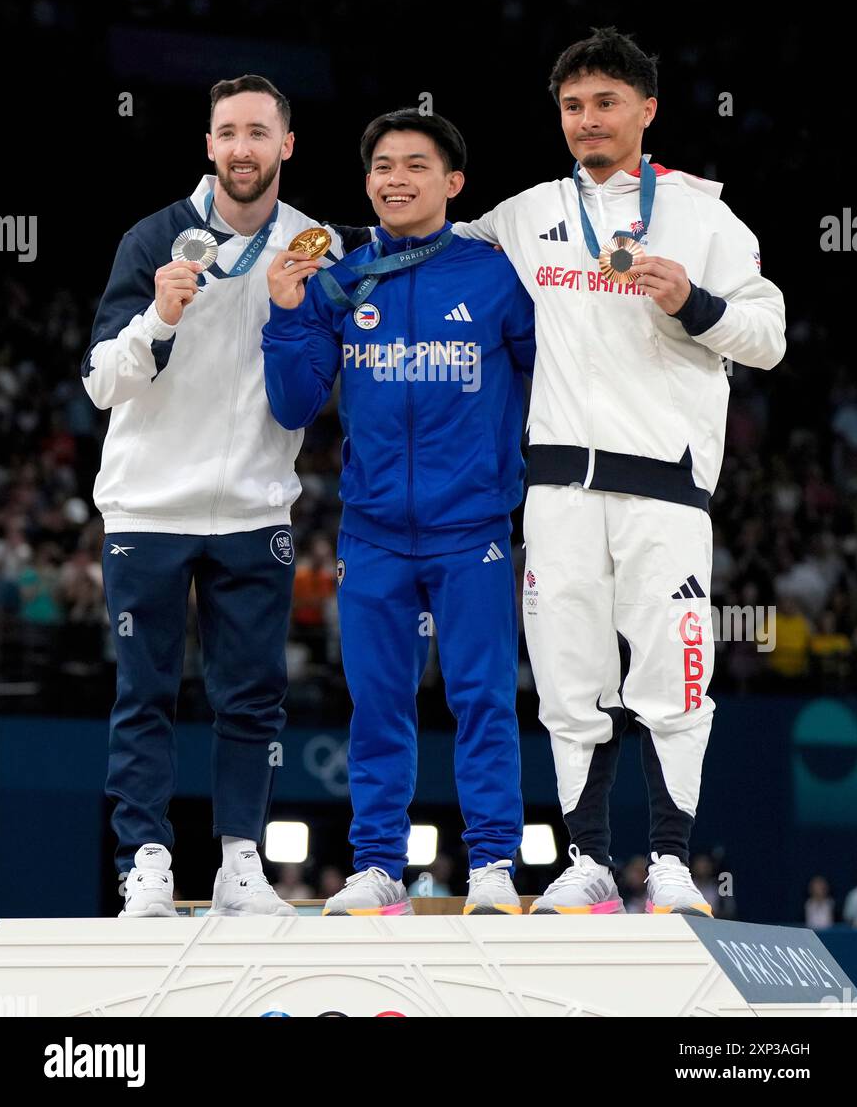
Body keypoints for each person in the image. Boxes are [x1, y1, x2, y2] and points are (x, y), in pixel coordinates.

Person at [453, 26, 786, 915]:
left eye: (606, 103)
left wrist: (694, 302)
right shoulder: (526, 214)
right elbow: (435, 244)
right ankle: (588, 859)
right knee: (568, 675)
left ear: (646, 109)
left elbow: (768, 334)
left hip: (666, 485)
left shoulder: (704, 215)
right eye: (572, 106)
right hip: (559, 485)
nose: (588, 120)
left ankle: (671, 860)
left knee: (675, 675)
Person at [82, 73, 368, 917]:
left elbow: (405, 241)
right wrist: (158, 319)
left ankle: (241, 860)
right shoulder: (154, 239)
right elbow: (101, 382)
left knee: (253, 699)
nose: (242, 147)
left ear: (287, 146)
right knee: (146, 694)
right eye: (227, 133)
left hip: (254, 509)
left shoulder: (316, 246)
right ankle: (146, 860)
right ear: (209, 147)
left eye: (258, 132)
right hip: (150, 510)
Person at [262, 108, 535, 915]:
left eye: (416, 165)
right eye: (382, 165)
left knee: (483, 700)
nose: (396, 179)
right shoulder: (340, 279)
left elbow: (549, 385)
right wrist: (285, 312)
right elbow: (292, 404)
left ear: (452, 184)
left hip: (474, 530)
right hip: (372, 533)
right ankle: (378, 869)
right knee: (378, 707)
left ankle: (492, 867)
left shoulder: (494, 276)